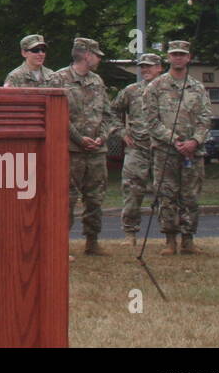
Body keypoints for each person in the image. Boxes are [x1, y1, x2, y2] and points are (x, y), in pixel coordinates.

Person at [142, 41, 212, 255]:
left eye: (182, 54)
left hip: (193, 151)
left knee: (190, 196)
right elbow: (151, 120)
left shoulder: (197, 87)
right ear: (168, 58)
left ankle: (188, 240)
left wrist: (195, 141)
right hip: (166, 151)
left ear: (188, 57)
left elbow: (206, 117)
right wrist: (174, 140)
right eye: (174, 54)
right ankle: (170, 240)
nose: (178, 58)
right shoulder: (155, 87)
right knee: (166, 195)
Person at [54, 37, 114, 258]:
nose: (98, 59)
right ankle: (60, 244)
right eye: (96, 54)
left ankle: (92, 241)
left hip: (96, 152)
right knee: (66, 200)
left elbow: (108, 114)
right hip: (70, 150)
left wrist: (102, 137)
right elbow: (56, 114)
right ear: (86, 55)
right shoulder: (58, 79)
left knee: (95, 197)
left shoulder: (97, 81)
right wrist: (79, 138)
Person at [111, 52, 162, 244]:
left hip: (162, 148)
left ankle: (170, 235)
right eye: (142, 66)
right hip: (137, 148)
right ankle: (130, 233)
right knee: (132, 190)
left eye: (149, 66)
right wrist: (122, 132)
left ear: (159, 68)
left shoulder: (167, 89)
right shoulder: (131, 91)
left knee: (167, 192)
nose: (145, 70)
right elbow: (112, 111)